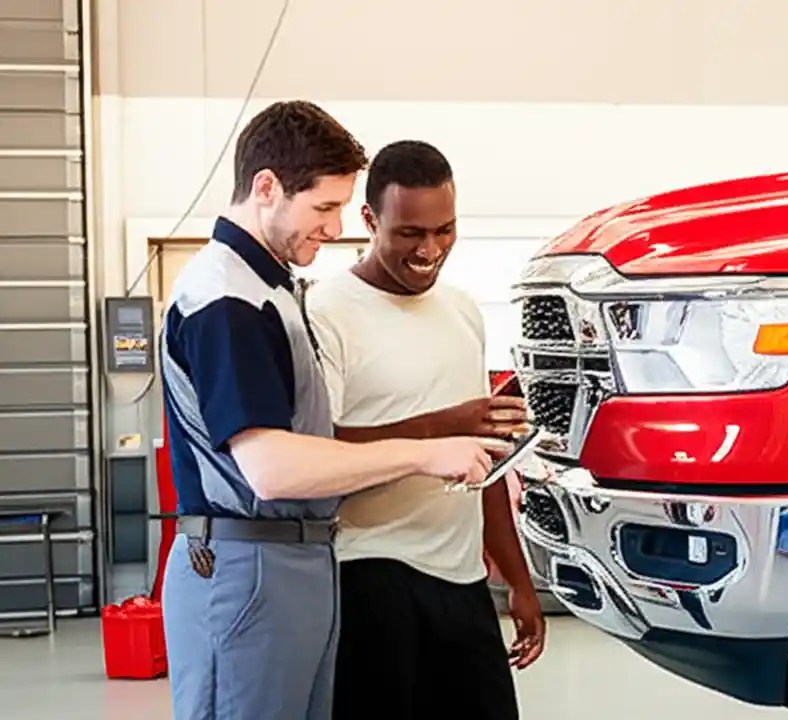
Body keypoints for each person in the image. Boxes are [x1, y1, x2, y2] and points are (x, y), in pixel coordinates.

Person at [158, 103, 499, 720]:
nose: (336, 227)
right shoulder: (227, 300)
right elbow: (271, 468)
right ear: (267, 188)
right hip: (246, 561)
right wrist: (427, 449)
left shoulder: (275, 290)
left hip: (296, 560)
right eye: (323, 208)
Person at [306, 139, 546, 720]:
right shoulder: (327, 312)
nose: (430, 249)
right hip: (370, 571)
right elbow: (318, 453)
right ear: (369, 220)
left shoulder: (461, 310)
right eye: (411, 233)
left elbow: (483, 459)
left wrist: (516, 577)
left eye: (444, 230)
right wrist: (443, 429)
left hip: (461, 577)